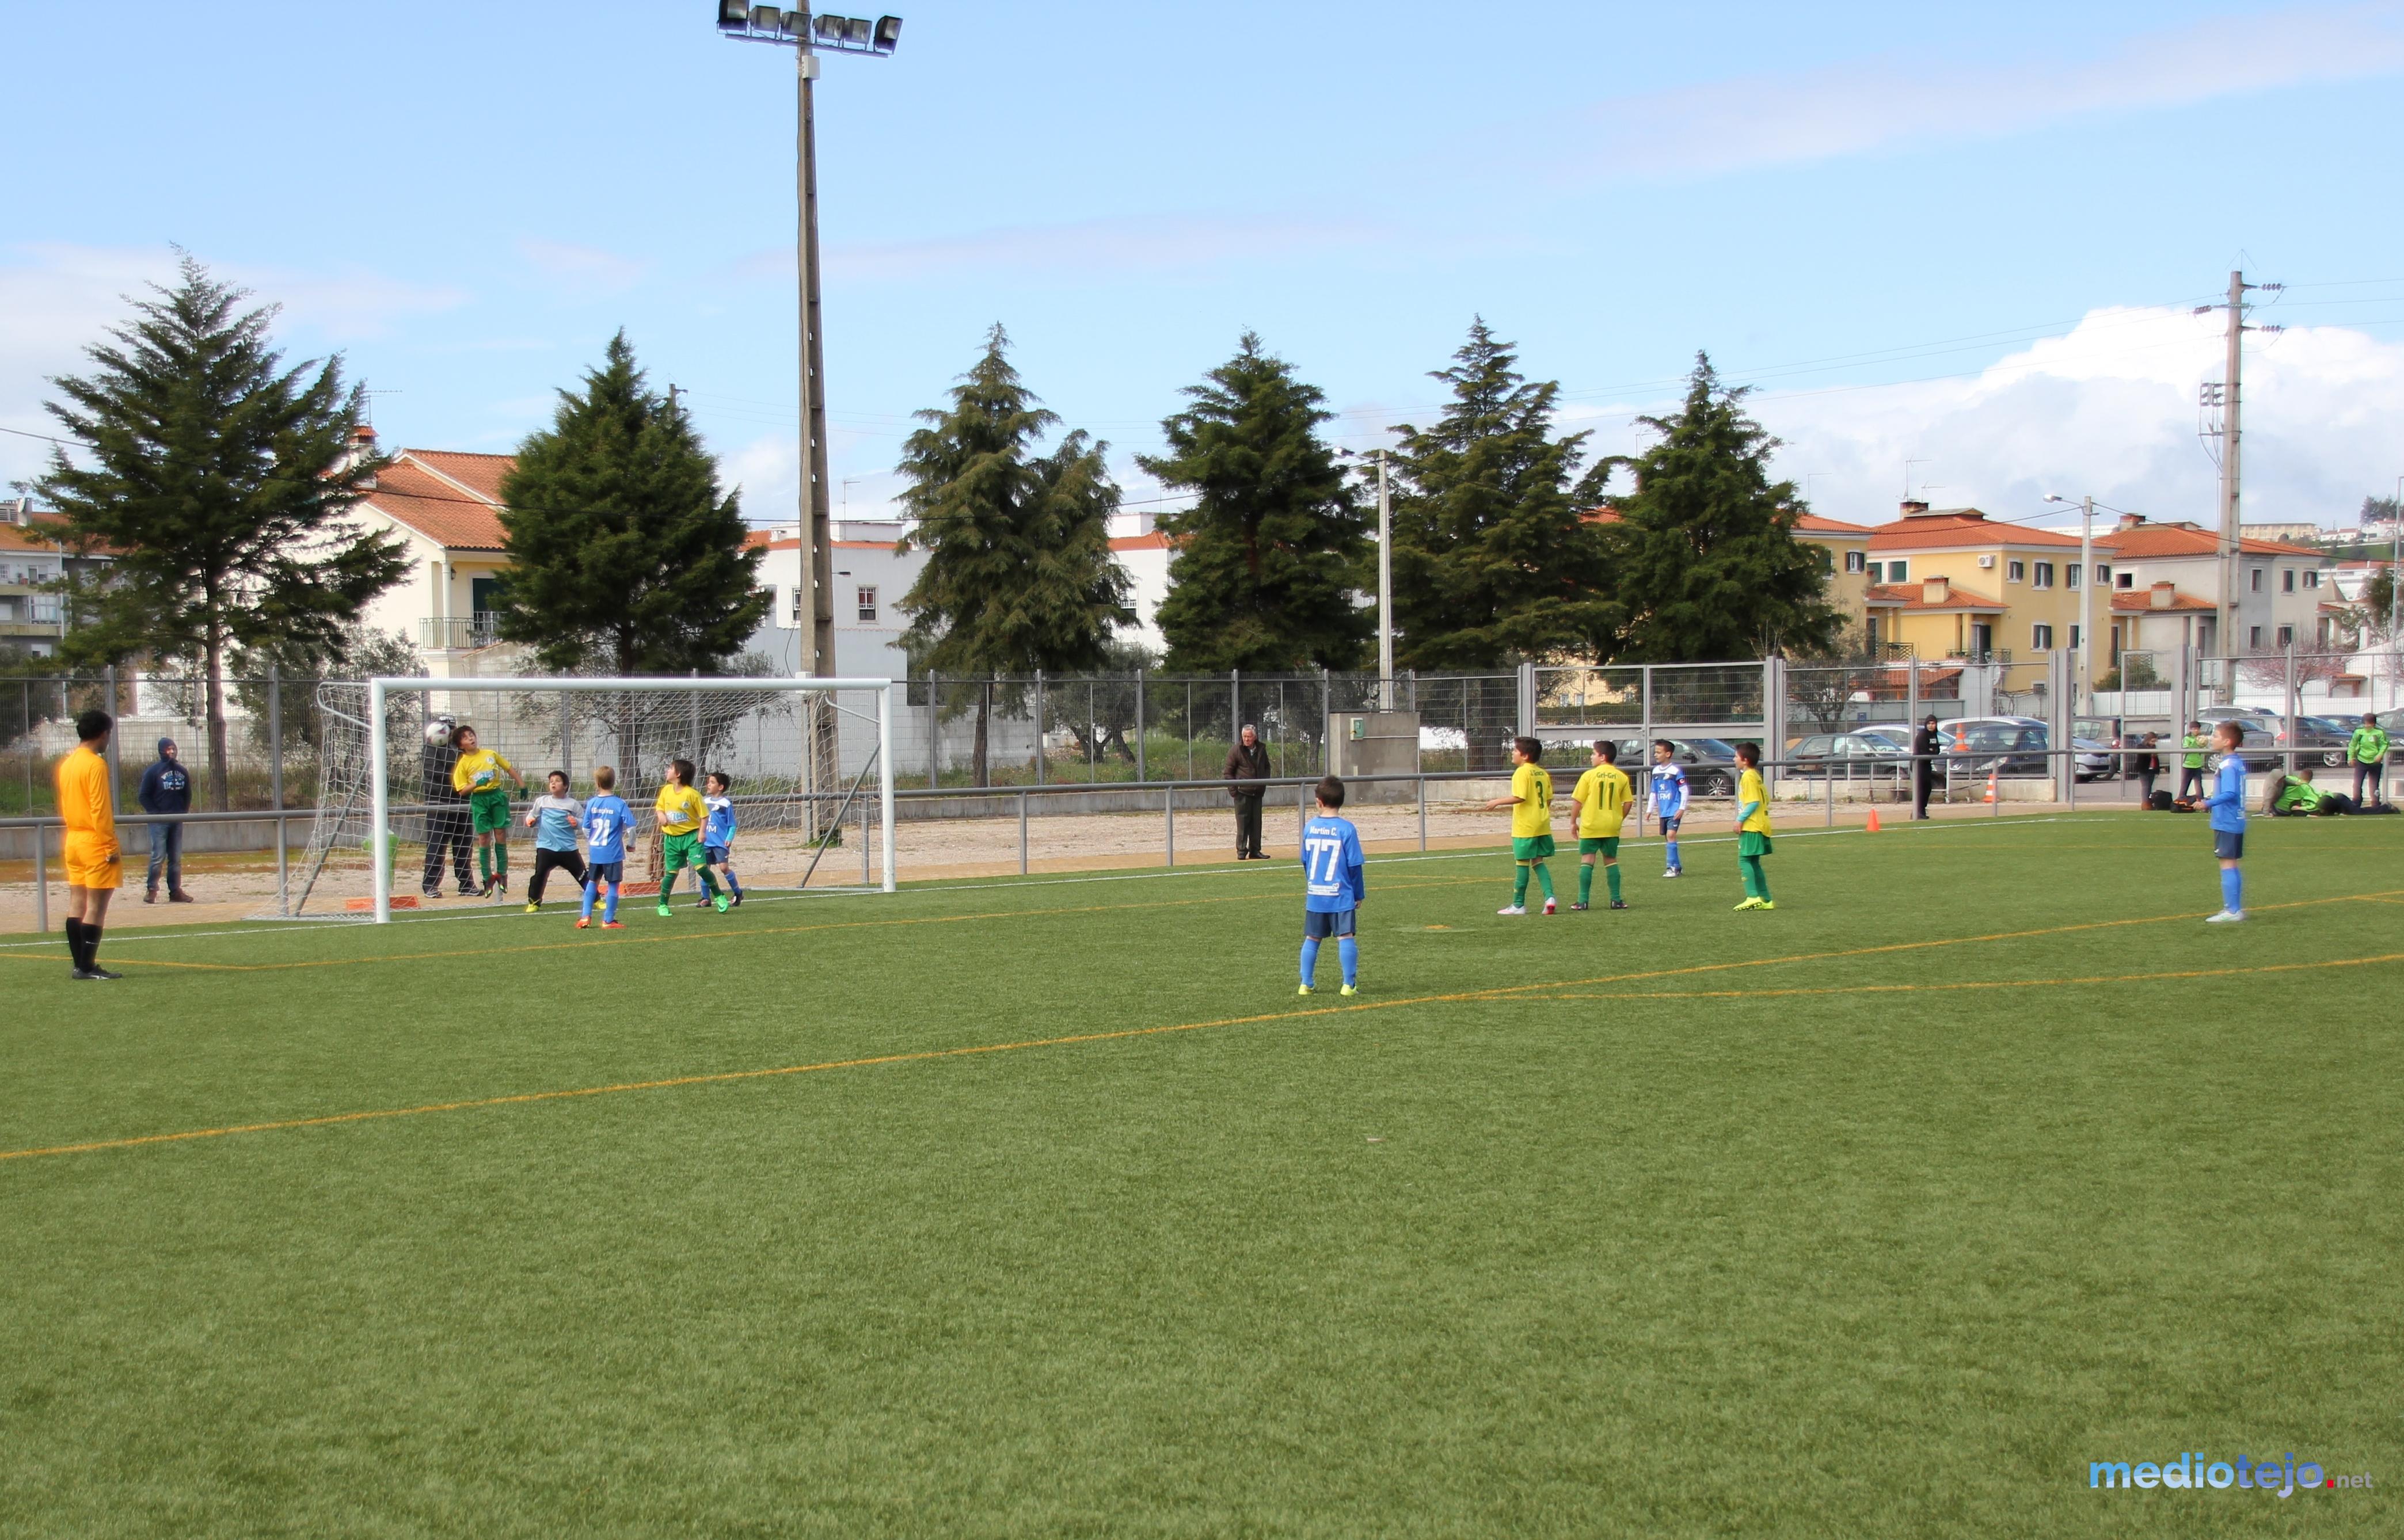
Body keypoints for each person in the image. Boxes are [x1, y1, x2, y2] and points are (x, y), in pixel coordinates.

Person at [56, 708, 123, 981]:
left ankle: (79, 964)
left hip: (73, 839)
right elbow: (100, 809)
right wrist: (110, 846)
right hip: (95, 840)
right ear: (102, 733)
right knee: (97, 905)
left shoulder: (68, 762)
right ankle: (87, 966)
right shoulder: (95, 764)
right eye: (109, 733)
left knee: (77, 901)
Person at [1296, 775, 1365, 997]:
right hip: (1341, 895)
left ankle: (1305, 984)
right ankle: (1348, 985)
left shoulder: (1310, 827)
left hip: (1316, 894)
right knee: (1345, 937)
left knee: (1312, 938)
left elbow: (1305, 861)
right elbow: (1355, 866)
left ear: (1319, 801)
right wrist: (1358, 893)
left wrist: (1313, 884)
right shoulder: (1347, 829)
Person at [448, 725, 523, 897]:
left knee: (501, 835)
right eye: (466, 738)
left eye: (471, 735)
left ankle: (503, 874)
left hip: (496, 796)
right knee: (483, 837)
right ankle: (486, 877)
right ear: (461, 745)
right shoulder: (462, 765)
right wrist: (477, 784)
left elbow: (509, 768)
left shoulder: (490, 754)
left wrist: (522, 784)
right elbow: (462, 791)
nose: (471, 738)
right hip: (479, 800)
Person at [1487, 735, 1557, 916]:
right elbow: (1548, 799)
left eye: (1515, 750)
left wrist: (1497, 801)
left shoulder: (1522, 772)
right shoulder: (1543, 773)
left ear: (1525, 756)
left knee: (1522, 863)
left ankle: (1518, 905)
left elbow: (1520, 797)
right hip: (1542, 825)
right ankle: (1550, 898)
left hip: (1525, 826)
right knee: (1538, 862)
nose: (1512, 752)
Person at [654, 757, 724, 916]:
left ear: (678, 774)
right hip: (672, 839)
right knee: (671, 874)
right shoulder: (665, 791)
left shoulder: (692, 794)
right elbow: (659, 808)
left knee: (701, 868)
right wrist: (661, 816)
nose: (668, 771)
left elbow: (704, 815)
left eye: (670, 768)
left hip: (691, 837)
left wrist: (702, 832)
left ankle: (719, 896)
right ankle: (662, 905)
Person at [1569, 739, 1633, 912]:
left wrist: (1573, 822)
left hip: (1591, 825)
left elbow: (1578, 801)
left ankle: (1582, 901)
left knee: (1587, 860)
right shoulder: (1621, 776)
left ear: (1603, 757)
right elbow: (1628, 802)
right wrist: (1619, 818)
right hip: (1611, 825)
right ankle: (1616, 900)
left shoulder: (1589, 776)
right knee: (1611, 860)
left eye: (1593, 754)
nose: (1591, 757)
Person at [420, 714, 476, 898]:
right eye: (446, 727)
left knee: (464, 845)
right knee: (437, 845)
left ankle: (466, 885)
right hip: (439, 803)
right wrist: (459, 777)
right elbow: (432, 771)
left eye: (452, 727)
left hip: (463, 802)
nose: (449, 731)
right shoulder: (432, 746)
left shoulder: (464, 749)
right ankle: (430, 885)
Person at [2200, 719, 2249, 923]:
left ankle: (2232, 911)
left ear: (2227, 741)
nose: (2212, 739)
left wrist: (2208, 803)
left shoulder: (2229, 765)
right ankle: (2234, 909)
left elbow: (2230, 793)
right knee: (2230, 863)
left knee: (2227, 864)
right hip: (2234, 819)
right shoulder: (2235, 763)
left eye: (2216, 736)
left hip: (2227, 820)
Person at [136, 736, 193, 904]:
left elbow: (187, 794)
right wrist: (156, 813)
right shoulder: (153, 771)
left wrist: (183, 812)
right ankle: (152, 890)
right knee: (158, 856)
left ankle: (175, 891)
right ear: (161, 751)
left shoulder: (182, 771)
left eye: (173, 748)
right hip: (159, 821)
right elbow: (143, 796)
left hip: (177, 820)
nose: (172, 752)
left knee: (175, 858)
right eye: (168, 749)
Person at [521, 771, 587, 913]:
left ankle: (596, 899)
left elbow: (584, 821)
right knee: (539, 875)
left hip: (567, 848)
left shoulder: (572, 804)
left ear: (565, 786)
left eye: (557, 781)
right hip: (546, 847)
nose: (553, 783)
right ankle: (534, 902)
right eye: (551, 781)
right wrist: (530, 821)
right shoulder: (542, 801)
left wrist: (576, 823)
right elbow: (532, 816)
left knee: (582, 874)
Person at [578, 765, 632, 929]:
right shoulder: (619, 803)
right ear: (614, 782)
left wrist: (593, 840)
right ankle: (608, 920)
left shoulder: (592, 803)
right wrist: (632, 844)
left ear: (597, 783)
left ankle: (585, 917)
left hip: (596, 852)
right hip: (613, 852)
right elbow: (632, 827)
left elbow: (586, 828)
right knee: (613, 885)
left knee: (592, 883)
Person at [1732, 741, 1776, 912]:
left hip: (1752, 826)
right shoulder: (1756, 775)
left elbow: (1753, 802)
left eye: (1736, 756)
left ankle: (1752, 896)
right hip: (1762, 824)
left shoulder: (1748, 777)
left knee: (1744, 860)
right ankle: (1766, 899)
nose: (1734, 759)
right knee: (1754, 862)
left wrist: (1740, 820)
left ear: (1745, 760)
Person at [699, 771, 745, 909]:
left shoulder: (726, 804)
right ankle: (706, 898)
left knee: (724, 868)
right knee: (704, 869)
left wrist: (729, 838)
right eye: (708, 782)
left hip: (720, 842)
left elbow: (732, 824)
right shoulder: (704, 801)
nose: (709, 785)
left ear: (721, 787)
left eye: (712, 782)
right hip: (706, 841)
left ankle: (738, 893)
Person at [1224, 724, 1270, 860]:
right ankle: (1241, 851)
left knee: (1257, 824)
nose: (1247, 739)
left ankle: (1255, 850)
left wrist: (1263, 783)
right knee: (1243, 823)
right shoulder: (1235, 751)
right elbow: (1228, 773)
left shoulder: (1262, 749)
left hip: (1258, 793)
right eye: (1245, 736)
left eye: (1249, 737)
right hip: (1242, 793)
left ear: (1255, 737)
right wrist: (1235, 791)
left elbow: (1267, 767)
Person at [1648, 739, 1688, 877]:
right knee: (1668, 837)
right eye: (1655, 752)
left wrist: (1682, 808)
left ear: (1668, 754)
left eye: (1659, 752)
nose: (1656, 755)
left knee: (1671, 835)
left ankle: (1671, 868)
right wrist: (1649, 810)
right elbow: (1654, 792)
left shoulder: (1675, 770)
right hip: (1663, 811)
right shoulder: (1655, 771)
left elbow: (1684, 790)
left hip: (1674, 809)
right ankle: (1677, 866)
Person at [2262, 766, 2352, 818]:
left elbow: (2268, 799)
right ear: (2310, 780)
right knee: (2325, 803)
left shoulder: (2288, 779)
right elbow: (2317, 801)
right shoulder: (2305, 787)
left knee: (2299, 807)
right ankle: (2341, 811)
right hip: (2284, 811)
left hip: (2275, 808)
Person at [2348, 713, 2388, 807]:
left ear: (2374, 724)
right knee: (2357, 784)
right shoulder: (2359, 733)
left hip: (2375, 762)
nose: (2367, 726)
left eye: (2370, 724)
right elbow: (2352, 745)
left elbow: (2384, 744)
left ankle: (2375, 803)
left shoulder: (2379, 733)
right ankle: (2356, 802)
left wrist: (2380, 755)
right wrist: (2351, 758)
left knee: (2374, 785)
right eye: (2366, 724)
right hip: (2361, 761)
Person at [1911, 714, 1941, 819]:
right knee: (1921, 789)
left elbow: (1937, 750)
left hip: (1927, 765)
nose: (1931, 726)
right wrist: (1932, 751)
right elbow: (1925, 751)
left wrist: (1932, 751)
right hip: (1919, 764)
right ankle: (1916, 812)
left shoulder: (1934, 735)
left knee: (1927, 788)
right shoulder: (1923, 735)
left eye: (1933, 723)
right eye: (1929, 723)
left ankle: (1922, 810)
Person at [2131, 732, 2162, 806]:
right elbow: (2143, 753)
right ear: (2147, 740)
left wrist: (2157, 770)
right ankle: (2145, 803)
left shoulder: (2154, 747)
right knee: (2146, 786)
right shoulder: (2141, 746)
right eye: (2152, 741)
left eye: (2154, 741)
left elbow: (2156, 759)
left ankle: (2148, 802)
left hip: (2152, 769)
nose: (2153, 743)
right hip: (2144, 770)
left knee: (2149, 787)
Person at [2179, 721, 2208, 801]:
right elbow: (2186, 748)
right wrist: (2195, 742)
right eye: (2194, 729)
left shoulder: (2201, 738)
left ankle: (2201, 799)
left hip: (2197, 764)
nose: (2196, 731)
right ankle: (2181, 798)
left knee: (2198, 783)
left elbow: (2204, 748)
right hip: (2188, 765)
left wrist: (2204, 744)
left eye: (2197, 729)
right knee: (2185, 783)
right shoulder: (2187, 738)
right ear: (2190, 730)